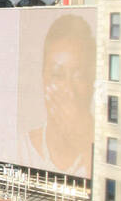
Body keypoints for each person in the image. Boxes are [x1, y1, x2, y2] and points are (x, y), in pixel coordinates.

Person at [17, 13, 96, 179]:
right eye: (58, 75)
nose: (68, 89)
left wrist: (85, 144)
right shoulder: (21, 149)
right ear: (43, 78)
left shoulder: (111, 152)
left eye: (79, 76)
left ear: (91, 82)